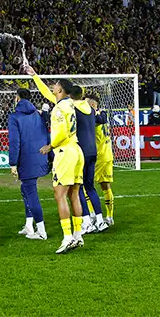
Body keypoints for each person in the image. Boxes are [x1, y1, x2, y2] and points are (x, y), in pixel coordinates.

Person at [28, 66, 85, 255]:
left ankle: (67, 238)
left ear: (60, 90)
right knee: (74, 194)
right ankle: (78, 235)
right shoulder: (69, 103)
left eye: (55, 85)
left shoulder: (59, 109)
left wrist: (49, 146)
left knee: (59, 194)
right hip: (76, 150)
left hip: (65, 152)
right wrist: (34, 76)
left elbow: (61, 133)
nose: (52, 86)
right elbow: (46, 92)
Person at [8, 88, 50, 240]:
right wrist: (50, 156)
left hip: (26, 159)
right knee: (25, 189)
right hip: (41, 156)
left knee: (31, 192)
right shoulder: (38, 114)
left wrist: (13, 163)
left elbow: (14, 142)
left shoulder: (14, 117)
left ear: (17, 98)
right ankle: (28, 225)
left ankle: (41, 231)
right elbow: (47, 134)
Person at [72, 86, 107, 233]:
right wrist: (102, 111)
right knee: (90, 187)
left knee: (78, 187)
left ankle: (87, 222)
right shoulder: (91, 111)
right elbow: (102, 119)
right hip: (93, 151)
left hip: (81, 152)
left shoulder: (73, 109)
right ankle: (100, 221)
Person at [89, 94, 115, 226]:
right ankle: (109, 216)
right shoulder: (102, 115)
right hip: (107, 154)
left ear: (93, 105)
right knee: (105, 186)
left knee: (86, 186)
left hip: (99, 156)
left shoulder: (94, 117)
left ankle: (92, 215)